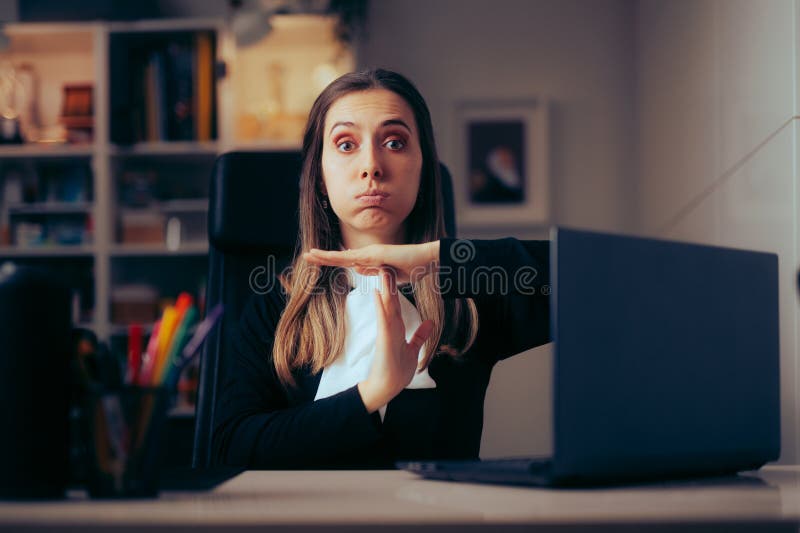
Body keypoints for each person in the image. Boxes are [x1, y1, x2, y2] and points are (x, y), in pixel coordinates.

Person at [213, 68, 551, 469]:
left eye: (394, 142)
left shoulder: (467, 298)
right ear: (319, 179)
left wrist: (440, 260)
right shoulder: (277, 308)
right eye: (345, 144)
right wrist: (373, 392)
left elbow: (602, 282)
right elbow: (230, 449)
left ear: (424, 171)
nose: (371, 165)